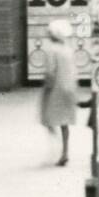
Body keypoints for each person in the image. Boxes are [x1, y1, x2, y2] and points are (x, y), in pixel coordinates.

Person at [40, 18, 78, 167]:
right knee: (64, 123)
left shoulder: (51, 50)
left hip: (55, 89)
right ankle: (65, 151)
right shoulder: (68, 49)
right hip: (68, 88)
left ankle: (56, 150)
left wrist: (47, 89)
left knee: (47, 119)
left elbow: (50, 72)